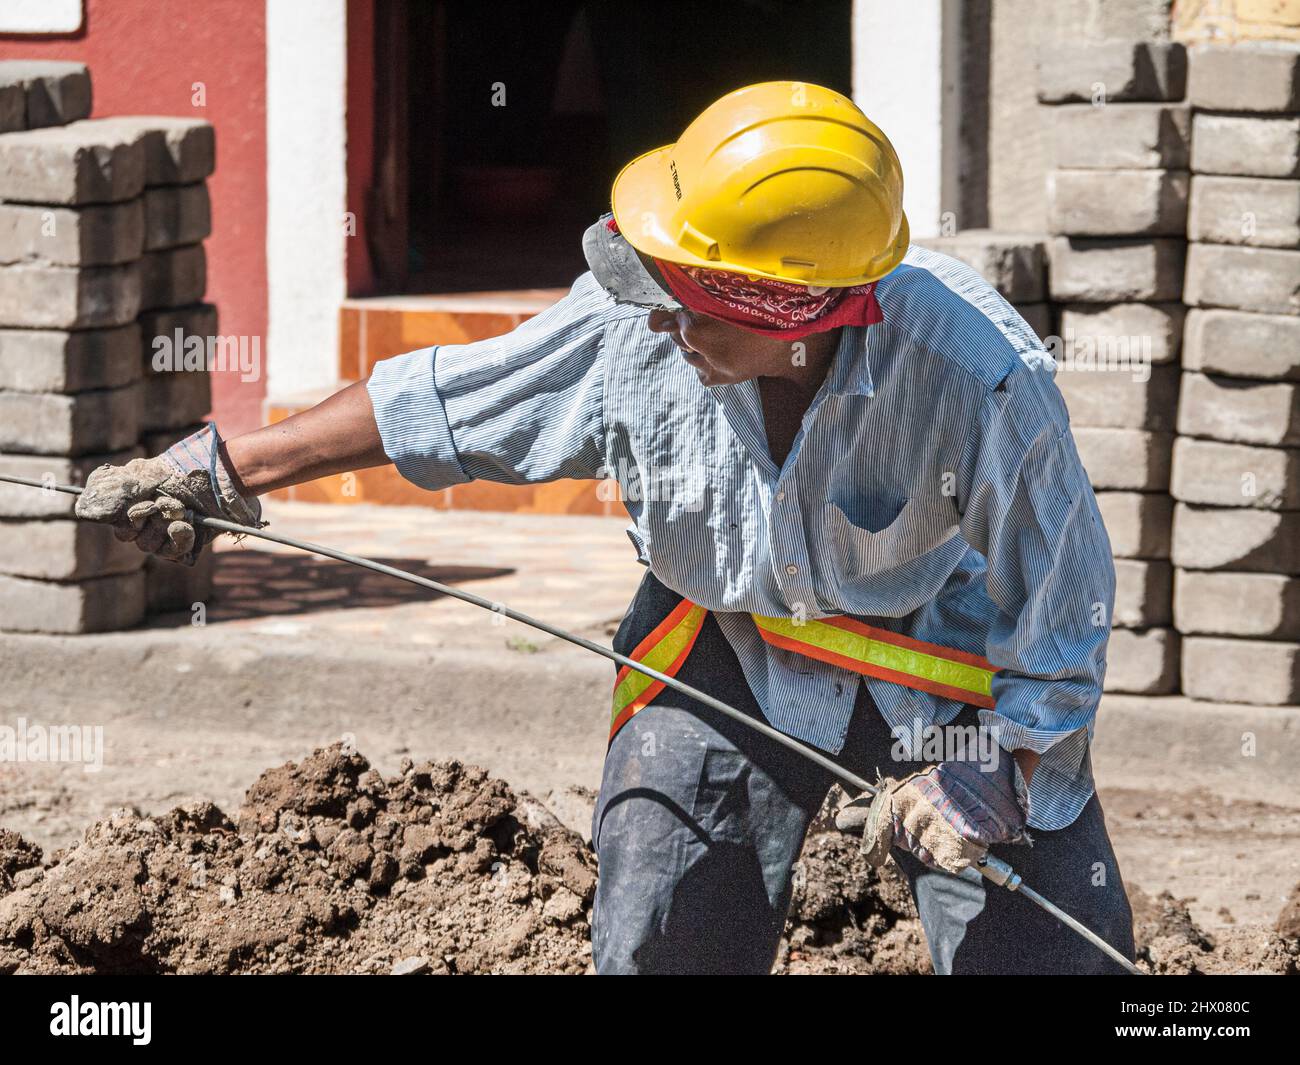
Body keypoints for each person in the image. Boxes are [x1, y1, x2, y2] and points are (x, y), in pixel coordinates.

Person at [76, 82, 1134, 975]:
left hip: (950, 672)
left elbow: (1066, 591)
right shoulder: (640, 322)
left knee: (1039, 952)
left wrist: (1004, 762)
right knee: (662, 926)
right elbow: (441, 403)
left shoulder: (975, 374)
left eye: (697, 302)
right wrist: (216, 468)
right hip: (730, 650)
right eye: (659, 288)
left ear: (800, 311)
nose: (663, 321)